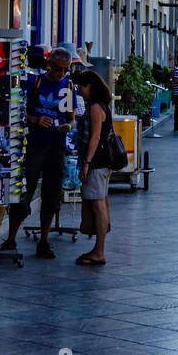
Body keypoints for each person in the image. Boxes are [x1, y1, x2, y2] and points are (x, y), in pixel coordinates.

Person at [1, 46, 75, 261]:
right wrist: (35, 120)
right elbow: (19, 112)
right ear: (48, 66)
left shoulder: (68, 87)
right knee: (24, 191)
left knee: (52, 194)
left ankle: (44, 240)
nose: (60, 74)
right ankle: (11, 237)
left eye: (65, 70)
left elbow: (70, 117)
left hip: (56, 146)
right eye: (57, 69)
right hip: (34, 145)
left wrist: (68, 127)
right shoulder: (36, 83)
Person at [72, 68, 114, 266]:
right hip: (101, 162)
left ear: (90, 86)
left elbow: (95, 136)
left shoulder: (96, 107)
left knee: (98, 205)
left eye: (81, 86)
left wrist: (87, 163)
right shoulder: (100, 105)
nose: (79, 90)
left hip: (97, 162)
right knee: (101, 203)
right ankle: (97, 249)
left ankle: (99, 251)